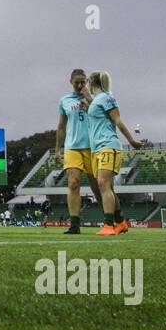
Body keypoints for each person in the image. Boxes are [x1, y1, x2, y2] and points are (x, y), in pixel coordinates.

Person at [85, 72, 146, 236]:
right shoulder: (96, 100)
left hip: (108, 145)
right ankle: (120, 223)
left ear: (91, 82)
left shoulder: (107, 97)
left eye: (87, 82)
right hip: (97, 148)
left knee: (103, 183)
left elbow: (118, 120)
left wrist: (132, 141)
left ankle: (108, 225)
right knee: (106, 186)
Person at [54, 68, 108, 235]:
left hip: (92, 145)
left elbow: (104, 117)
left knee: (97, 185)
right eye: (76, 82)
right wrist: (57, 150)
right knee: (73, 182)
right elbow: (61, 126)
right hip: (72, 147)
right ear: (70, 81)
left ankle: (110, 220)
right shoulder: (64, 101)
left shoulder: (97, 99)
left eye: (82, 82)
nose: (79, 85)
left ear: (87, 82)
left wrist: (89, 99)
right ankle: (75, 224)